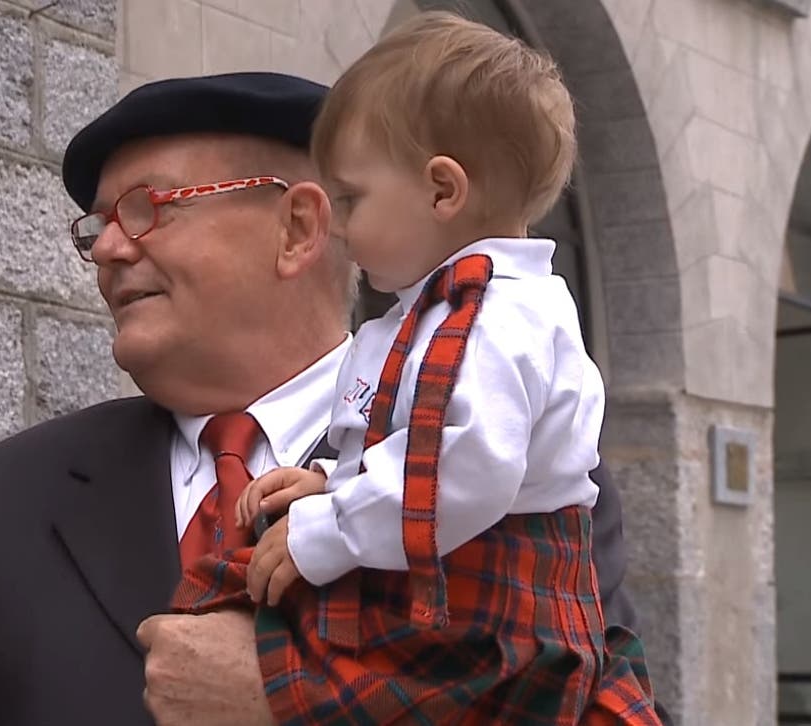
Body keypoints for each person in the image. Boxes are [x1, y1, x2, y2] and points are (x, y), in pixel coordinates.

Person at [0, 70, 644, 726]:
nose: (107, 250)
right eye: (96, 229)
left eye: (146, 209)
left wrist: (291, 702)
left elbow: (593, 706)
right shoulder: (5, 496)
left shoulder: (499, 468)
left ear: (298, 229)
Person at [166, 14, 660, 724]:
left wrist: (325, 529)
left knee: (232, 596)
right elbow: (421, 452)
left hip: (481, 606)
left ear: (441, 191)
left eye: (352, 199)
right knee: (226, 589)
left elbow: (465, 472)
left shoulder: (495, 319)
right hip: (452, 578)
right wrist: (333, 480)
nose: (339, 226)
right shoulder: (437, 312)